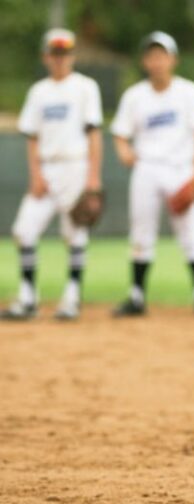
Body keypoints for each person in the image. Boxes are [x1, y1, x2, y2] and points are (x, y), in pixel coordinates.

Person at [1, 28, 103, 321]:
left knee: (75, 233)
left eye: (65, 53)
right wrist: (35, 175)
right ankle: (28, 298)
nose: (60, 59)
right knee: (24, 231)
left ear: (72, 56)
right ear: (46, 56)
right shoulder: (38, 92)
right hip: (46, 168)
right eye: (55, 53)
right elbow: (31, 137)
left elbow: (94, 133)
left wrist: (93, 177)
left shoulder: (85, 87)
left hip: (75, 166)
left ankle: (72, 298)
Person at [111, 31, 194, 317]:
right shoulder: (134, 96)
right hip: (146, 169)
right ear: (145, 61)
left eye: (162, 55)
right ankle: (137, 296)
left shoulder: (190, 92)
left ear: (174, 60)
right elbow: (120, 134)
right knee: (141, 233)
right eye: (152, 55)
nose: (157, 61)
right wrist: (123, 150)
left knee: (191, 231)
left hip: (180, 169)